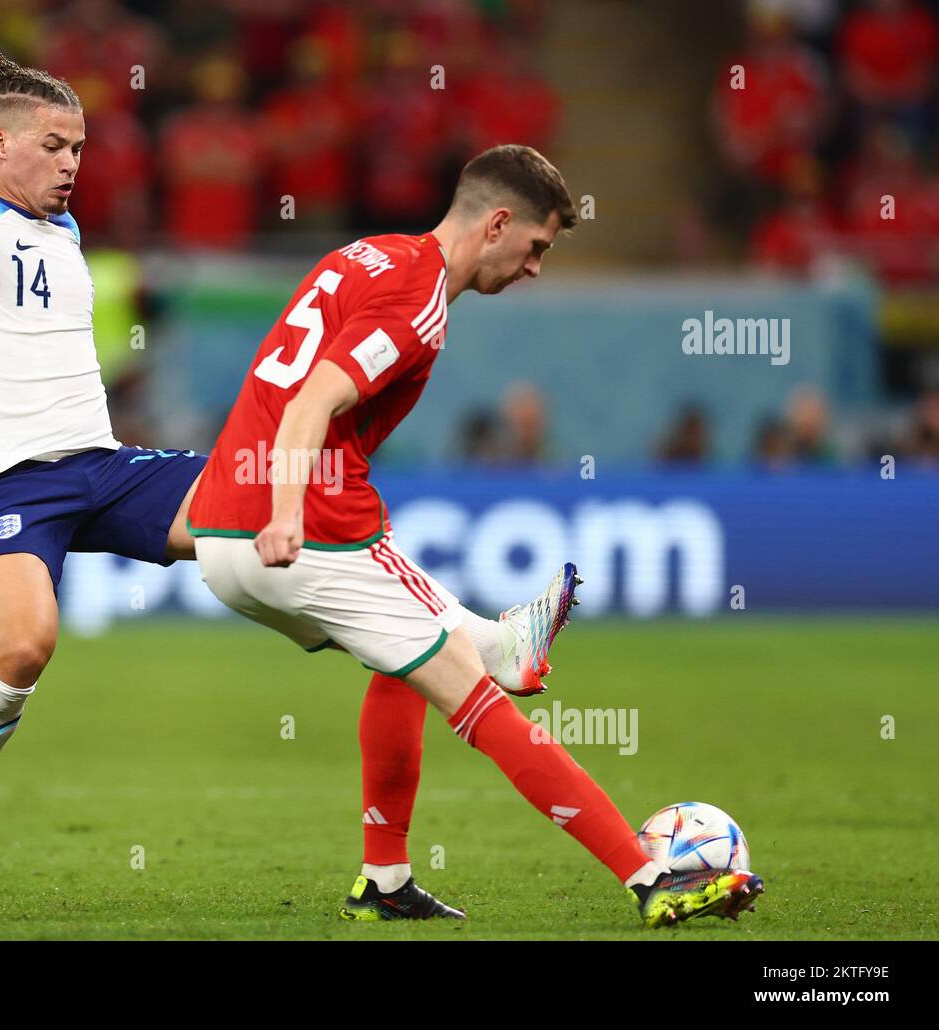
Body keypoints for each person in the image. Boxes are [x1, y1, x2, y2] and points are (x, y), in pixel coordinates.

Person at [0, 43, 573, 915]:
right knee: (22, 649)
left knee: (268, 495)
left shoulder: (64, 236)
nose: (72, 163)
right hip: (9, 484)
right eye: (53, 145)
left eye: (79, 148)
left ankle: (482, 640)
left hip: (106, 467)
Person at [188, 144, 765, 927]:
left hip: (225, 534)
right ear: (497, 223)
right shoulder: (418, 300)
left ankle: (384, 881)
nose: (534, 269)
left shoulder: (370, 255)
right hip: (303, 528)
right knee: (477, 692)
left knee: (402, 662)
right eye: (535, 248)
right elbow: (309, 403)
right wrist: (287, 511)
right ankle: (648, 877)